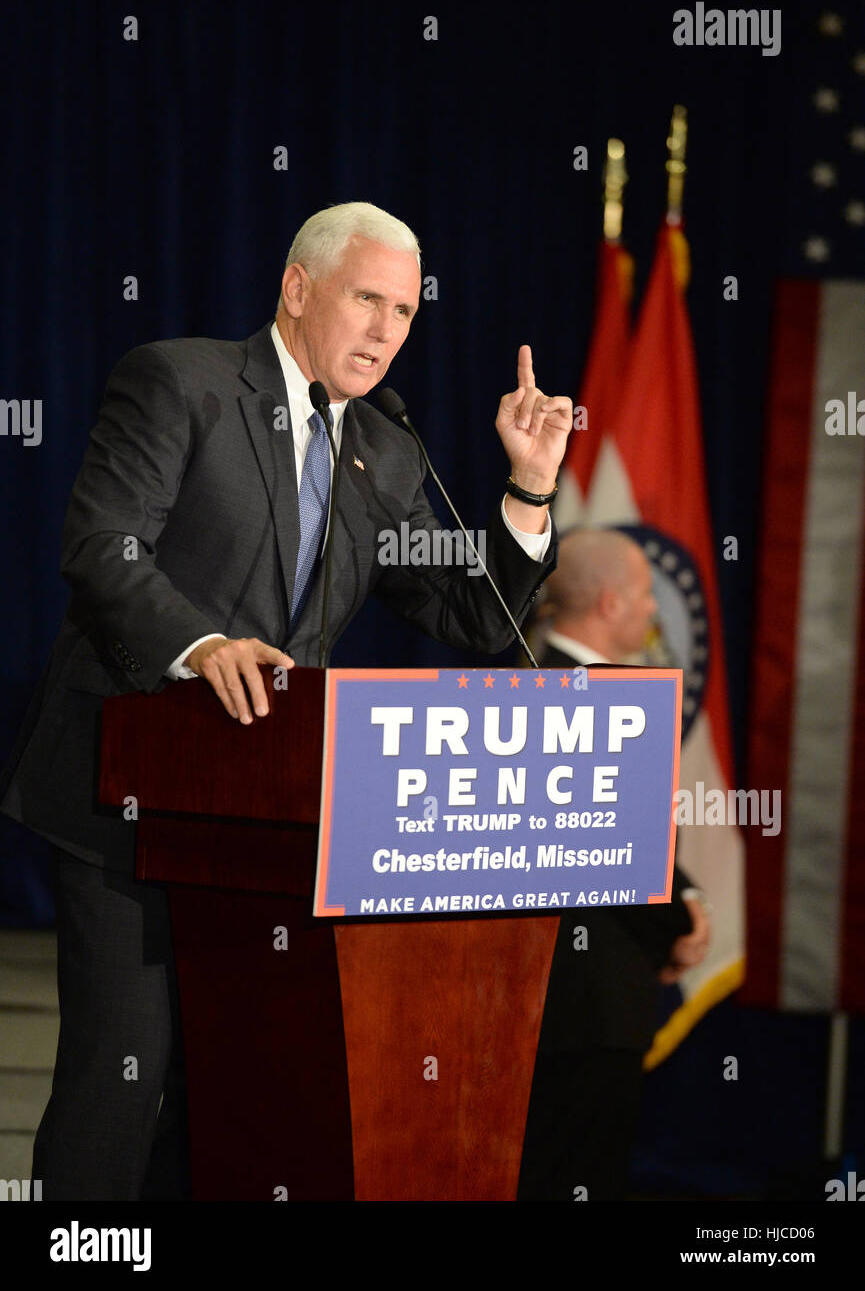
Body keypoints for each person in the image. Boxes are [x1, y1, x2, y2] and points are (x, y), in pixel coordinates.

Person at [0, 201, 573, 1200]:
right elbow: (102, 546)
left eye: (404, 311)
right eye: (367, 300)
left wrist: (525, 491)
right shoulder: (181, 383)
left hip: (267, 829)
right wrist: (202, 643)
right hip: (129, 798)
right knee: (121, 1081)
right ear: (298, 288)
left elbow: (473, 617)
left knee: (224, 1091)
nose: (388, 330)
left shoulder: (385, 454)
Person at [517, 527, 710, 1201]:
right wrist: (680, 924)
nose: (654, 610)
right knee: (575, 1176)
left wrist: (683, 897)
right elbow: (613, 852)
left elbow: (619, 833)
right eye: (642, 596)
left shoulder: (518, 678)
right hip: (592, 999)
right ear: (606, 604)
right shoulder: (608, 702)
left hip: (528, 1000)